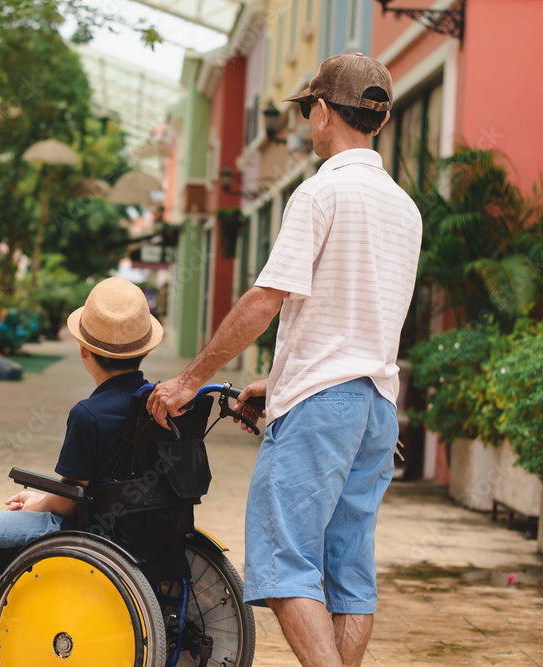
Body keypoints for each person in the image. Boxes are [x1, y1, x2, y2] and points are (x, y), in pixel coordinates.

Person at [147, 53, 422, 667]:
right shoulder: (405, 208)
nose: (306, 123)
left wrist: (189, 380)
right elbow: (361, 317)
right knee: (349, 567)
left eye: (307, 110)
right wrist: (283, 377)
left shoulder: (320, 191)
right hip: (375, 408)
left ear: (323, 110)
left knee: (284, 560)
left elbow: (265, 299)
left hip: (323, 410)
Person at [0, 276, 162, 666]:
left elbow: (69, 503)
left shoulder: (88, 415)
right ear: (142, 352)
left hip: (80, 532)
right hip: (135, 531)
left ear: (84, 351)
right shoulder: (158, 405)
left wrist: (36, 501)